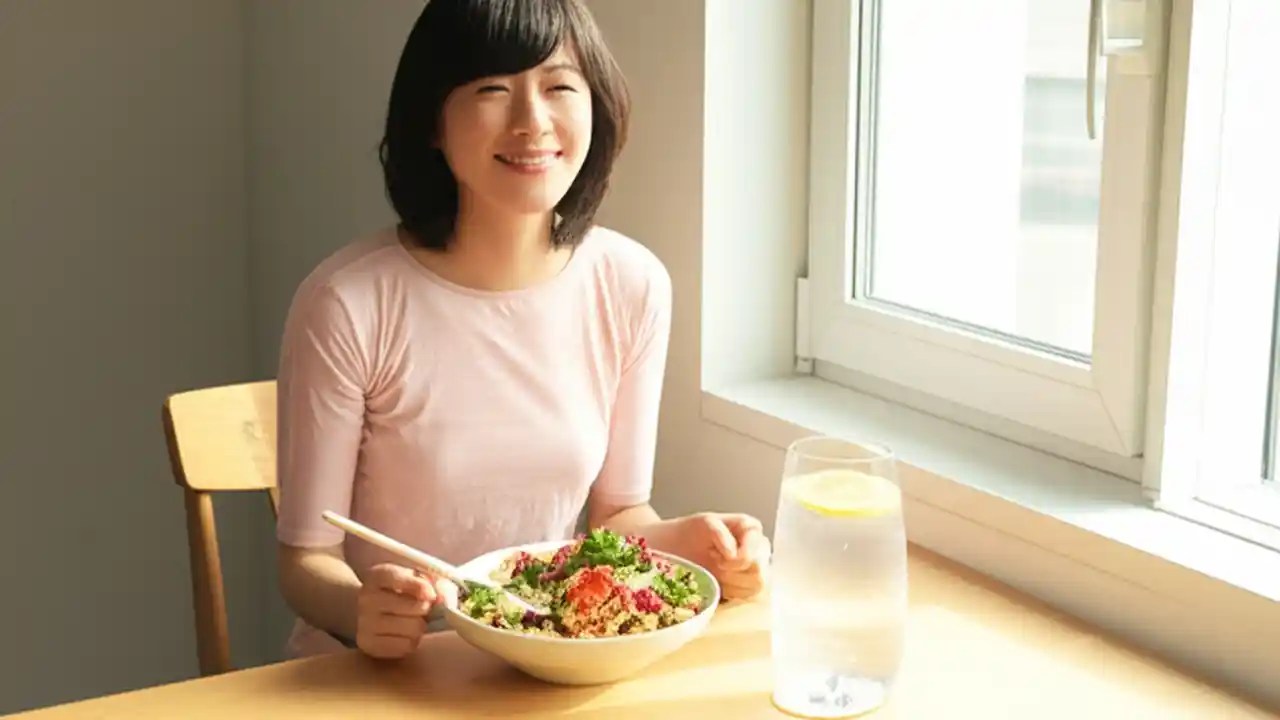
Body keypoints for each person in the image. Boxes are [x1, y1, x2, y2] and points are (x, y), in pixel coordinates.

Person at [274, 0, 770, 660]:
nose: (532, 122)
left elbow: (618, 517)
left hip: (539, 666)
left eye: (560, 86)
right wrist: (360, 607)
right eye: (492, 90)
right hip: (377, 674)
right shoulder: (348, 302)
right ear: (432, 122)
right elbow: (307, 558)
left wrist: (698, 543)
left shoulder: (629, 284)